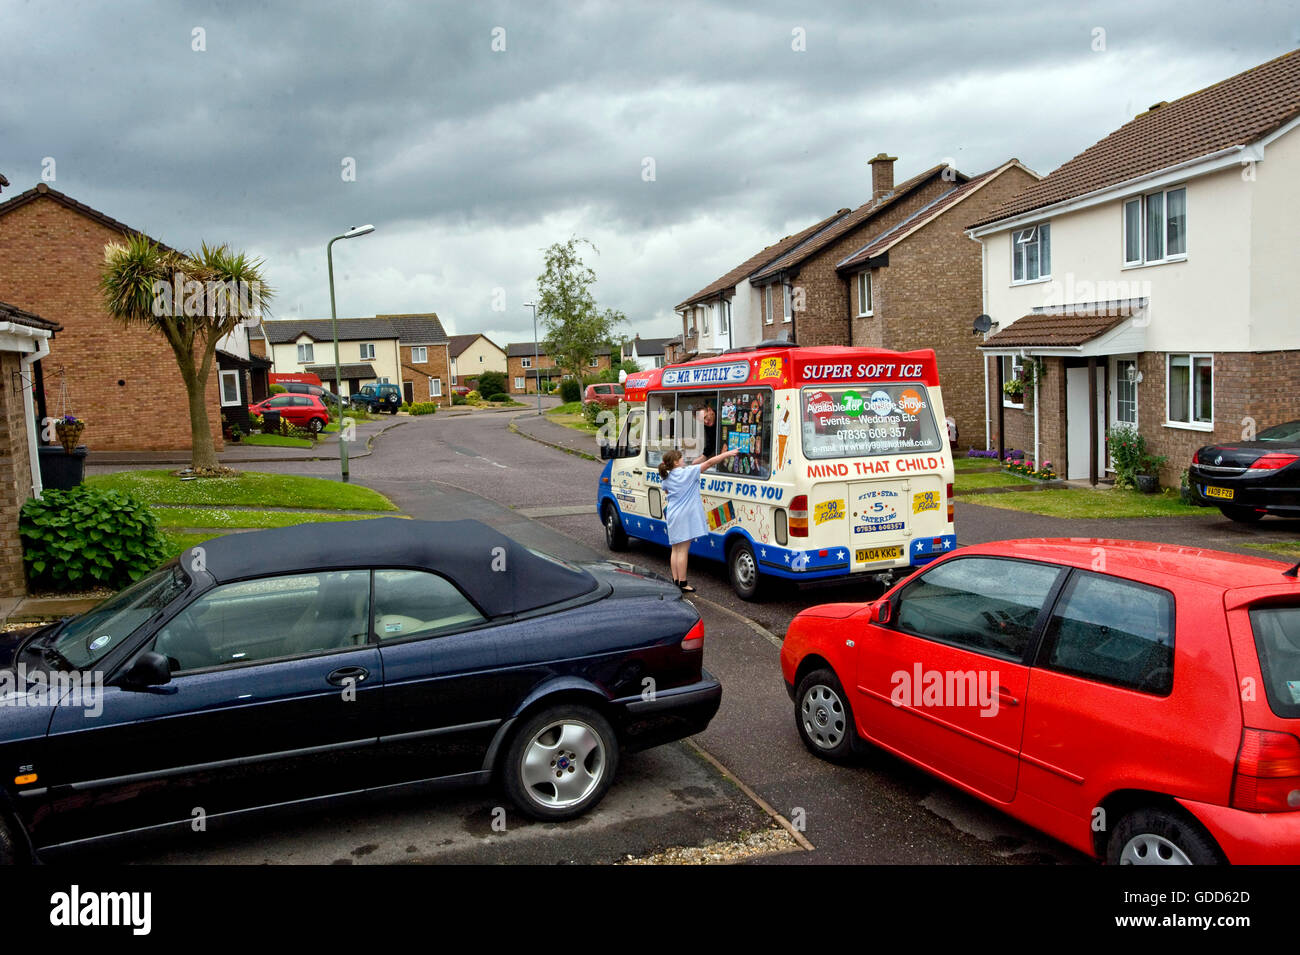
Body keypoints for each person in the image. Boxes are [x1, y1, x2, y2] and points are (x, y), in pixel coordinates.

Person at [659, 445, 739, 593]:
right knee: (683, 551)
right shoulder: (689, 472)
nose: (683, 460)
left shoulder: (666, 478)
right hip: (685, 516)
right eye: (681, 458)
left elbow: (666, 491)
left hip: (673, 514)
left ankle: (675, 580)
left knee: (675, 549)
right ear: (676, 462)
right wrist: (728, 454)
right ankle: (683, 583)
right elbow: (710, 462)